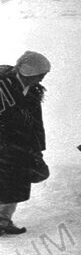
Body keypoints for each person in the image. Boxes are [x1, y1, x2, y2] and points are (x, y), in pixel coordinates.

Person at [0, 52, 51, 235]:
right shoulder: (3, 87)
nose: (41, 79)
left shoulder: (33, 92)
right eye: (40, 75)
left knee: (14, 186)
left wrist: (38, 149)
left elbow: (37, 123)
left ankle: (4, 221)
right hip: (4, 145)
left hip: (21, 147)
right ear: (28, 72)